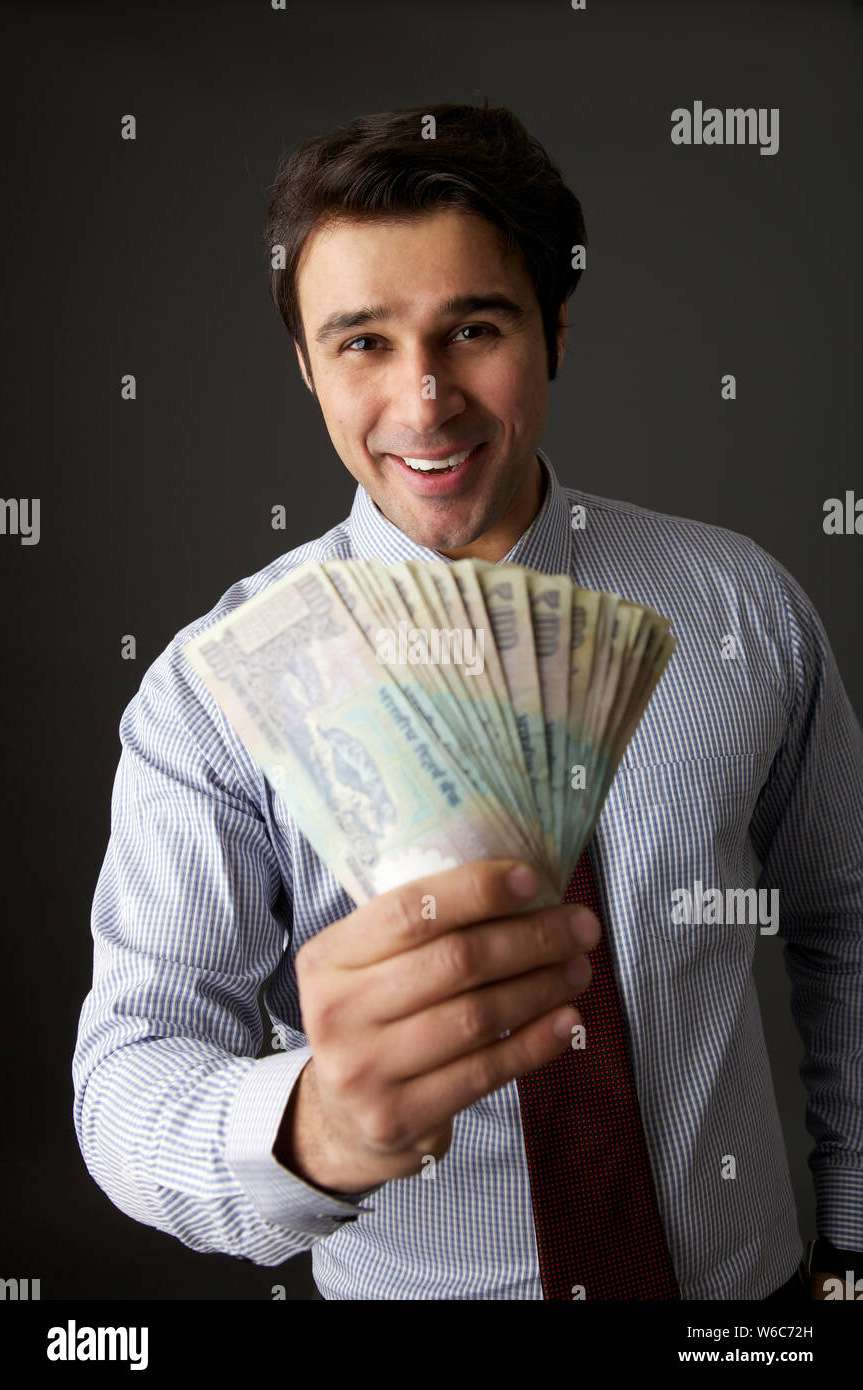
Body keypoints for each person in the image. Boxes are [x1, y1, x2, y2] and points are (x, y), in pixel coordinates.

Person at [72, 102, 863, 1301]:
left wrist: (852, 1247)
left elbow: (848, 921)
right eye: (361, 342)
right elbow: (127, 1073)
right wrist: (316, 1128)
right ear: (303, 363)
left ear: (553, 327)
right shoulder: (208, 692)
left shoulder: (737, 604)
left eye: (471, 328)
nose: (424, 397)